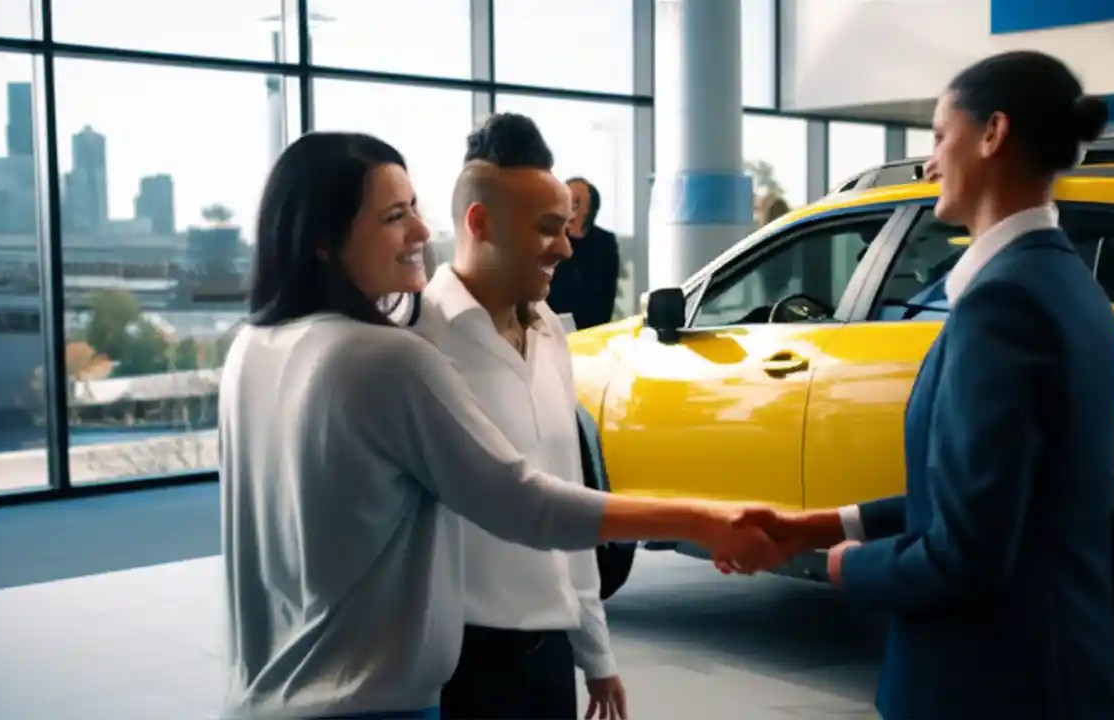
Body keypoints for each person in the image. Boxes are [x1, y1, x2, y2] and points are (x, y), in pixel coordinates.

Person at [218, 130, 781, 719]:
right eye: (393, 216)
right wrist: (700, 518)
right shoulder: (390, 355)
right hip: (372, 700)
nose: (418, 231)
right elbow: (526, 503)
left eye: (413, 208)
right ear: (323, 242)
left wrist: (594, 650)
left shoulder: (250, 349)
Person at [748, 51, 1114, 719]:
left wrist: (846, 566)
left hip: (987, 683)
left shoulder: (1002, 304)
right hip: (1060, 669)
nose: (929, 163)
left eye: (939, 135)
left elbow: (965, 555)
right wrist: (829, 523)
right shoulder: (1070, 286)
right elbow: (999, 494)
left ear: (993, 133)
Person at [410, 114, 626, 720]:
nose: (566, 246)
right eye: (548, 229)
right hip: (456, 671)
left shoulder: (553, 332)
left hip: (549, 662)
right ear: (480, 223)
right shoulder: (416, 341)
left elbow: (567, 503)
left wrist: (596, 655)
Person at [545, 175, 620, 330]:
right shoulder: (549, 240)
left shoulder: (605, 242)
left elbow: (607, 295)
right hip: (552, 330)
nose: (570, 208)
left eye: (576, 203)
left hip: (592, 333)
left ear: (591, 208)